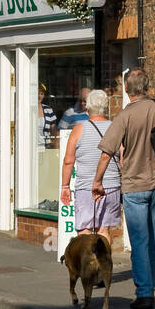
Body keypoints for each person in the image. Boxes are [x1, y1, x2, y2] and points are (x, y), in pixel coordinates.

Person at [91, 68, 155, 309]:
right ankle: (149, 282)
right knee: (154, 238)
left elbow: (106, 153)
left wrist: (97, 181)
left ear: (125, 89)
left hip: (134, 186)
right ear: (147, 86)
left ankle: (145, 293)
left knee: (140, 241)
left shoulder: (124, 116)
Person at [60, 89, 120, 239]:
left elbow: (68, 161)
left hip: (86, 187)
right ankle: (104, 262)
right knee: (104, 230)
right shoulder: (116, 128)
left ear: (87, 107)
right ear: (106, 107)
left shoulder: (79, 130)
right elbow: (123, 157)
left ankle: (86, 263)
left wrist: (65, 186)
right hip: (111, 186)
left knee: (84, 230)